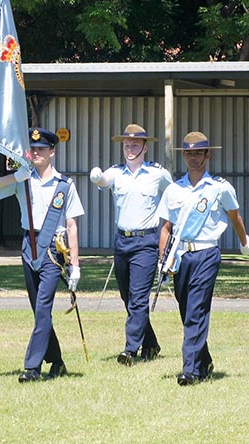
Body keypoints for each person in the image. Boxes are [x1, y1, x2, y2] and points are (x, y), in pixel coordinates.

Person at [0, 127, 84, 383]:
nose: (36, 152)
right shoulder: (23, 180)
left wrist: (75, 266)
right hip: (29, 246)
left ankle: (32, 367)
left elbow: (72, 225)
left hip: (52, 250)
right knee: (38, 310)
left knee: (43, 307)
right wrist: (16, 176)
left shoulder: (65, 185)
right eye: (32, 149)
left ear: (52, 152)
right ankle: (57, 361)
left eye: (41, 149)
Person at [157, 131, 249, 385]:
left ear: (207, 155)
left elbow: (235, 217)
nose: (193, 158)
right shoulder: (174, 189)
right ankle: (204, 360)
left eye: (198, 153)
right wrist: (162, 262)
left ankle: (191, 370)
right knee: (186, 309)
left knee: (197, 310)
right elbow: (166, 228)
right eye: (189, 153)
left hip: (207, 253)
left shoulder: (220, 187)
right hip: (180, 257)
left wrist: (245, 242)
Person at [89, 124, 173, 366]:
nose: (130, 148)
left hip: (146, 242)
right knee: (128, 297)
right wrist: (97, 177)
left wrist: (170, 234)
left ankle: (130, 349)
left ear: (145, 147)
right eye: (127, 144)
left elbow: (174, 197)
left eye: (135, 144)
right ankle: (151, 344)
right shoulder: (116, 173)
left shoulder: (158, 174)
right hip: (122, 241)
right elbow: (104, 180)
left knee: (138, 298)